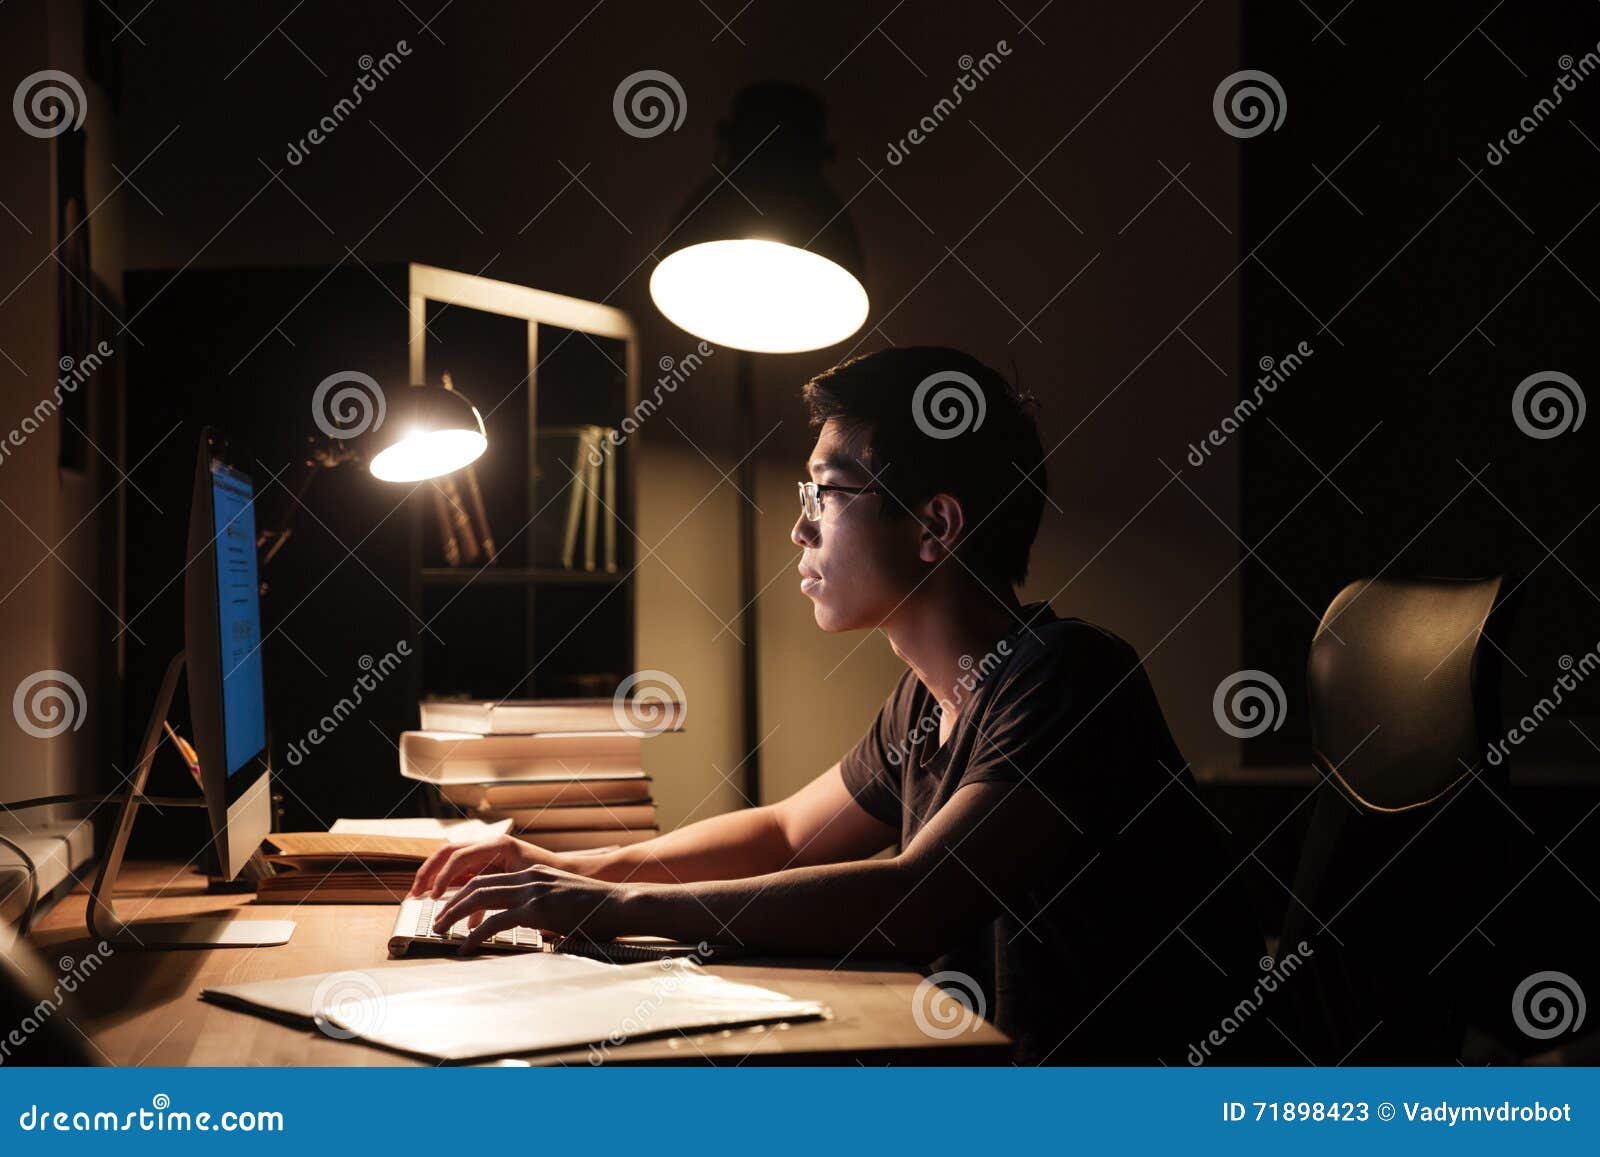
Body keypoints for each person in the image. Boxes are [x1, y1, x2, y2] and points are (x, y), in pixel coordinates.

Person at [411, 346, 1266, 1064]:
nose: (800, 529)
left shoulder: (1069, 677)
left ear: (935, 524)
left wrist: (619, 909)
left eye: (825, 492)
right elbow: (785, 832)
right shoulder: (926, 705)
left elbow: (912, 899)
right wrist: (569, 869)